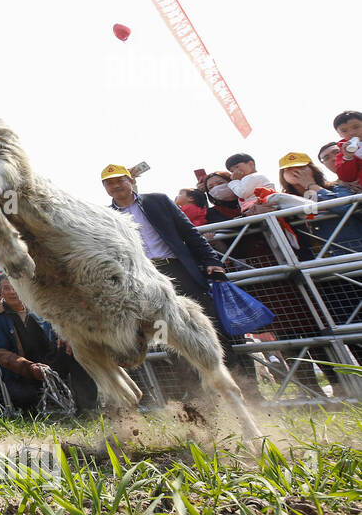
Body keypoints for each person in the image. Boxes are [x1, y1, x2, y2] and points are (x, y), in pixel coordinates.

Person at [101, 163, 253, 386]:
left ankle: (243, 386)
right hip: (146, 281)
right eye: (109, 183)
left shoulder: (157, 201)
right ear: (105, 188)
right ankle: (195, 396)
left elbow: (189, 233)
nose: (115, 186)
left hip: (178, 270)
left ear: (132, 181)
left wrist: (212, 261)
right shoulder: (107, 217)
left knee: (210, 326)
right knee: (164, 334)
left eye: (120, 180)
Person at [0, 275, 97, 411]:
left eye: (16, 286)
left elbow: (61, 326)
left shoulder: (40, 307)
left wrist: (68, 337)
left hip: (51, 361)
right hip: (23, 372)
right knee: (26, 399)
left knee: (76, 350)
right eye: (7, 288)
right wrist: (30, 368)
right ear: (0, 292)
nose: (13, 291)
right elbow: (1, 354)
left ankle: (88, 409)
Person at [330, 110, 362, 185]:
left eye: (356, 127)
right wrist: (348, 158)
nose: (352, 133)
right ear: (339, 134)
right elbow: (347, 178)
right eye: (344, 131)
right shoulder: (343, 154)